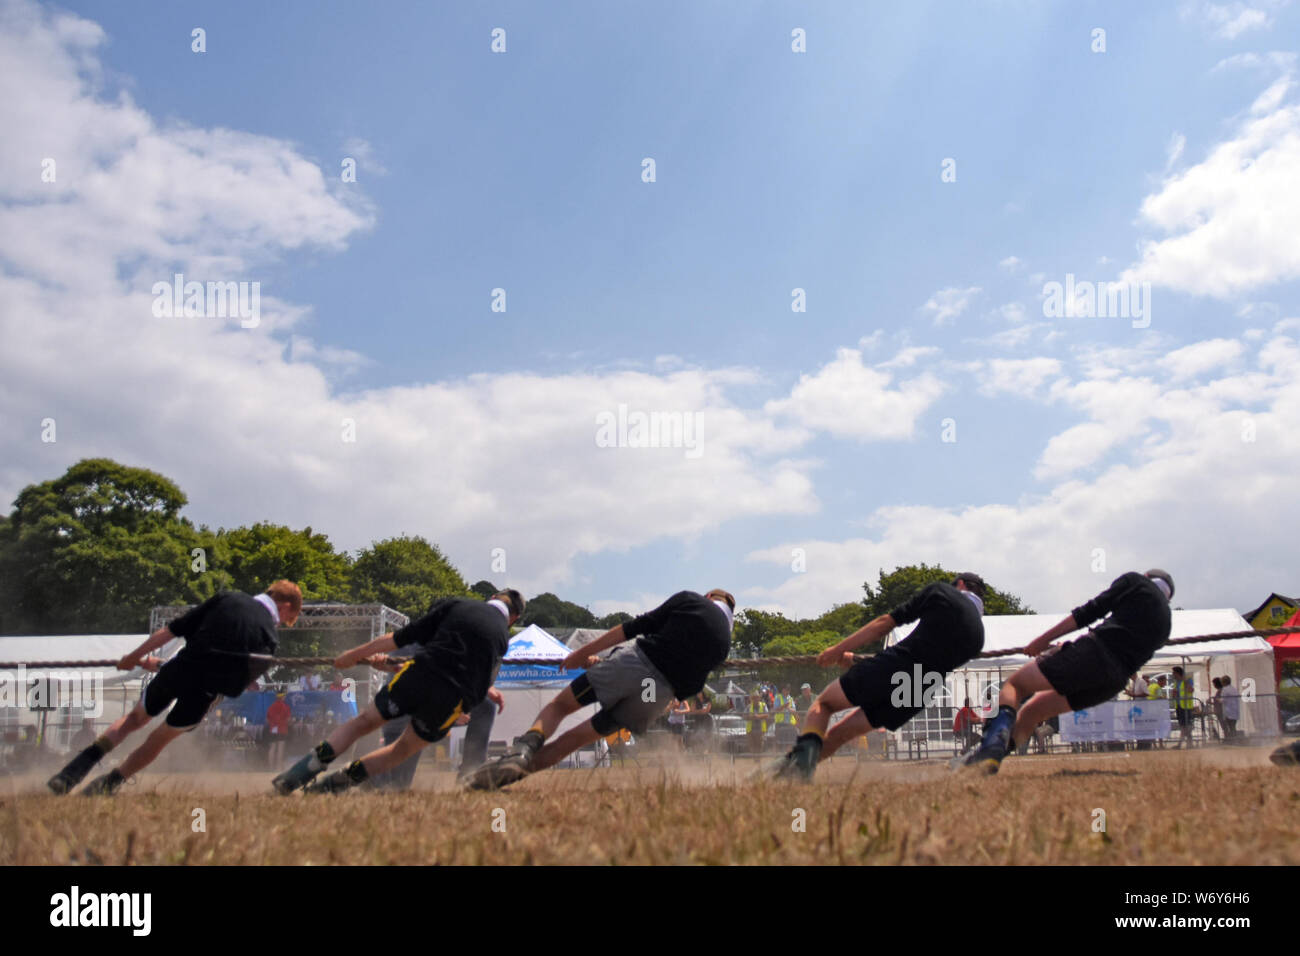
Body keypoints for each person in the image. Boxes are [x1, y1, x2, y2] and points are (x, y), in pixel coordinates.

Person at [48, 581, 302, 796]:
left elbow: (171, 632)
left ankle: (72, 772)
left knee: (133, 720)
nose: (282, 623)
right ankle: (108, 784)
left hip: (180, 670)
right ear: (286, 605)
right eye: (287, 619)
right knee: (159, 739)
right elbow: (232, 684)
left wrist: (133, 657)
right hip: (204, 692)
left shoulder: (228, 598)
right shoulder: (270, 638)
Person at [466, 589, 734, 790]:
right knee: (571, 742)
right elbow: (691, 687)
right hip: (655, 696)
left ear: (709, 596)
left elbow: (633, 627)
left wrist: (582, 652)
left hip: (635, 665)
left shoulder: (692, 600)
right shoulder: (723, 644)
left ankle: (524, 749)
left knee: (559, 707)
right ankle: (501, 779)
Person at [272, 590, 523, 794]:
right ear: (513, 619)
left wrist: (352, 655)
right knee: (400, 752)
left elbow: (396, 638)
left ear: (491, 598)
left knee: (362, 723)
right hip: (446, 700)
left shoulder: (457, 607)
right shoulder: (501, 639)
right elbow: (477, 685)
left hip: (417, 677)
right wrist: (460, 709)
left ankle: (295, 776)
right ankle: (332, 785)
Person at [770, 573, 987, 781]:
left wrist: (838, 649)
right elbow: (925, 661)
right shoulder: (978, 638)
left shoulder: (943, 593)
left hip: (897, 666)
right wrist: (856, 660)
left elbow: (885, 624)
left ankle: (792, 770)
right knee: (840, 734)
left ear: (959, 584)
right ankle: (790, 772)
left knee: (825, 704)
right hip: (916, 693)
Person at [963, 569, 1173, 774]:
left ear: (1148, 577)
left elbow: (1089, 612)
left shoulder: (1136, 581)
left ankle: (991, 746)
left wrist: (1043, 639)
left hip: (1095, 654)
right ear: (1168, 597)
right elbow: (1127, 646)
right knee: (1033, 711)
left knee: (1016, 685)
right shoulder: (1166, 624)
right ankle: (983, 761)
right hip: (1113, 681)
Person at [1170, 665, 1195, 749]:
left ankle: (1184, 743)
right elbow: (1174, 695)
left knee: (1186, 726)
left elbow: (1190, 690)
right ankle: (1187, 743)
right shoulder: (1176, 683)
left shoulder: (1187, 681)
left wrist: (1186, 682)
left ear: (1177, 673)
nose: (1173, 675)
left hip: (1186, 707)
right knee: (1182, 726)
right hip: (1179, 706)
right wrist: (1173, 694)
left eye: (1174, 673)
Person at [266, 692, 292, 769]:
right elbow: (288, 720)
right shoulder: (285, 707)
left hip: (273, 729)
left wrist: (273, 723)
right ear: (283, 697)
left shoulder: (271, 707)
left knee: (272, 747)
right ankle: (278, 766)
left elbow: (267, 719)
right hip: (282, 729)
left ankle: (271, 766)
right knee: (280, 748)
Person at [1219, 675, 1240, 740]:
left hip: (1228, 711)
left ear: (1223, 682)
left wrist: (1217, 700)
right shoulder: (1234, 689)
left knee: (1229, 726)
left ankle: (1231, 740)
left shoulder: (1225, 689)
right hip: (1235, 710)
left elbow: (1223, 700)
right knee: (1233, 726)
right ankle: (1234, 739)